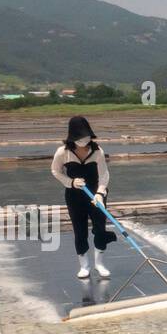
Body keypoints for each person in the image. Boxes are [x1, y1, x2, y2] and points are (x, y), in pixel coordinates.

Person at [50, 115, 115, 279]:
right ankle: (84, 266)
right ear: (72, 136)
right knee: (80, 231)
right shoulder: (63, 152)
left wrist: (100, 193)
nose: (83, 140)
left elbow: (104, 174)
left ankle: (99, 264)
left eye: (85, 137)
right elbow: (55, 171)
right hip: (74, 196)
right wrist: (70, 182)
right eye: (79, 137)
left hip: (96, 195)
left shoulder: (97, 151)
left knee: (100, 229)